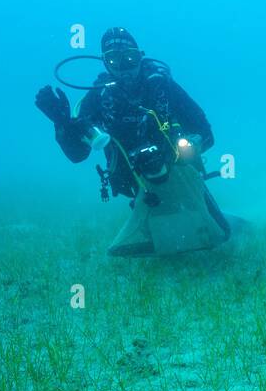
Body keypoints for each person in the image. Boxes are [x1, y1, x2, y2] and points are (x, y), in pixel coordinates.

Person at [35, 27, 231, 250]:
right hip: (131, 180)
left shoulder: (162, 87)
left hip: (177, 166)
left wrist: (179, 151)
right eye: (114, 60)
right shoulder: (98, 99)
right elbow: (77, 155)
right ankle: (155, 223)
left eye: (130, 57)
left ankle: (199, 215)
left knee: (217, 226)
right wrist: (62, 125)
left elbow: (206, 134)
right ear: (105, 63)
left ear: (140, 56)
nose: (124, 68)